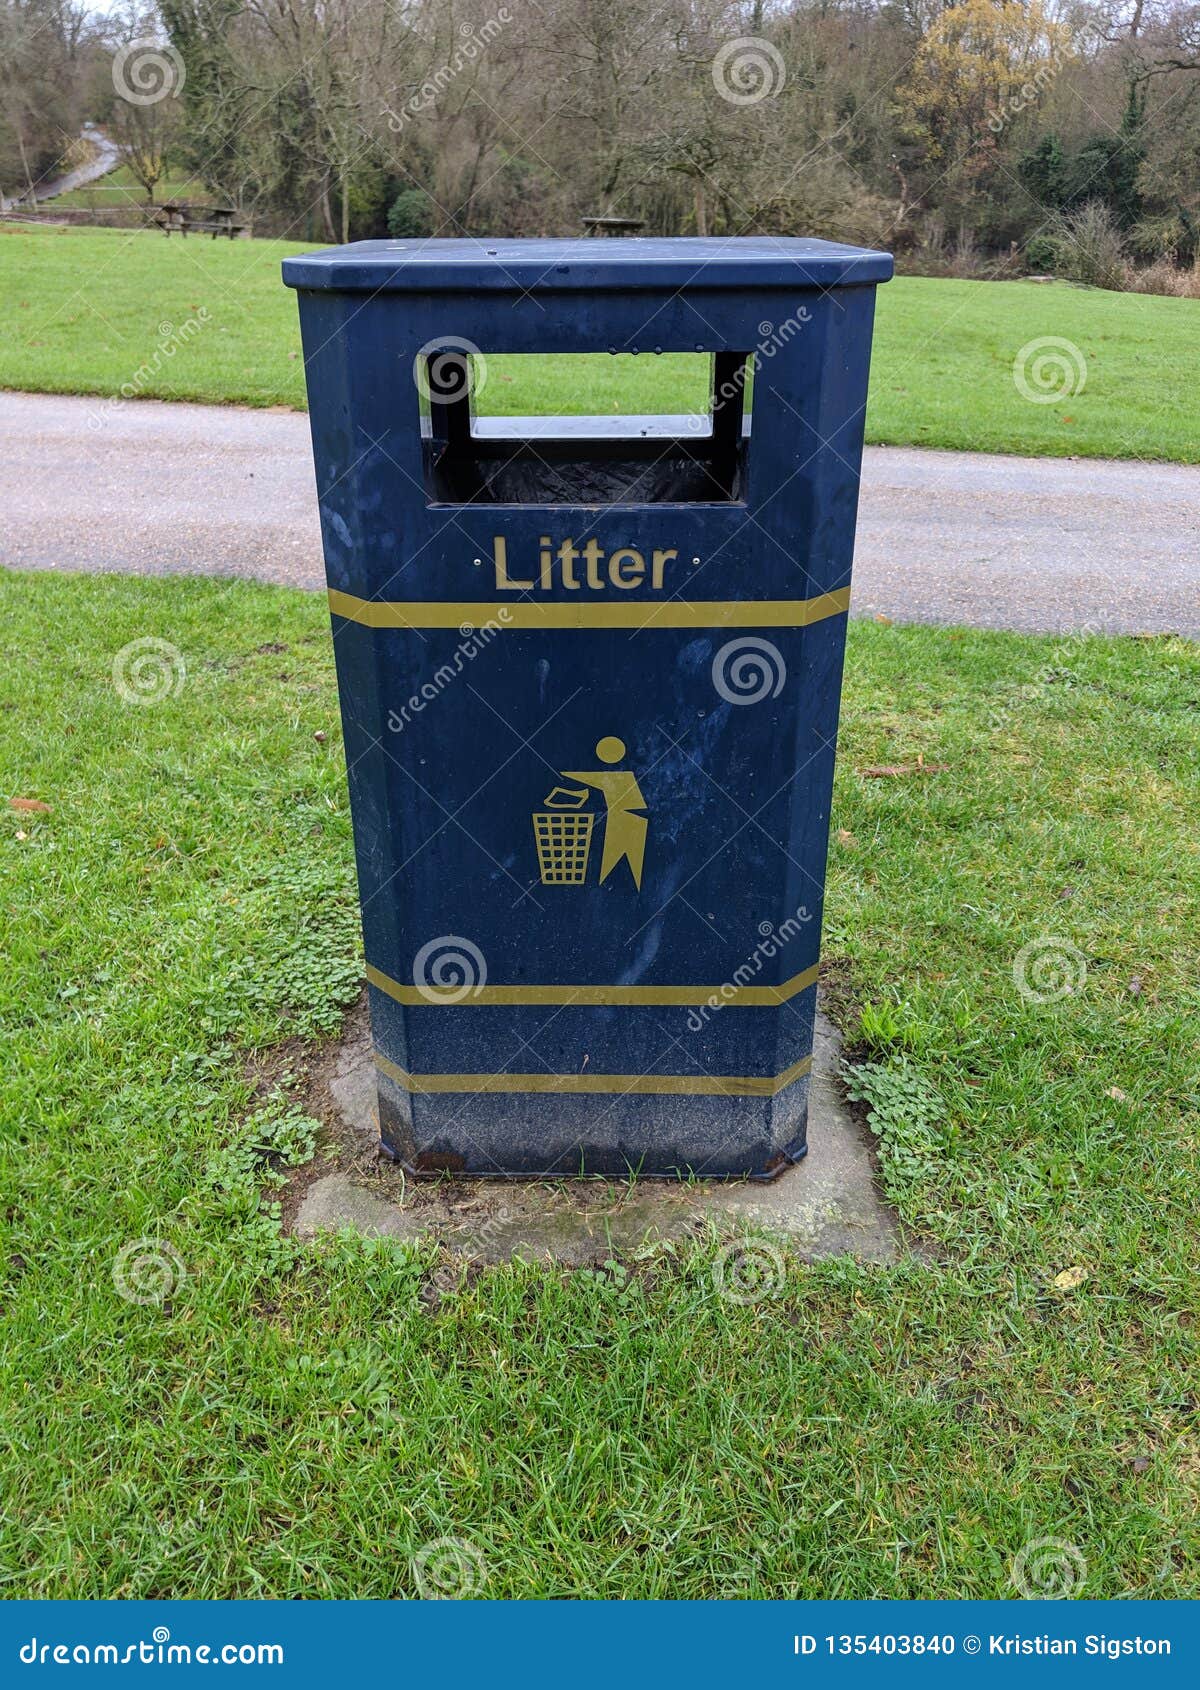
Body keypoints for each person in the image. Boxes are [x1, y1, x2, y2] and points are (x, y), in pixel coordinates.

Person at [563, 736, 647, 890]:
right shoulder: (623, 780)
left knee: (626, 864)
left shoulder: (622, 781)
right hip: (624, 817)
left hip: (626, 818)